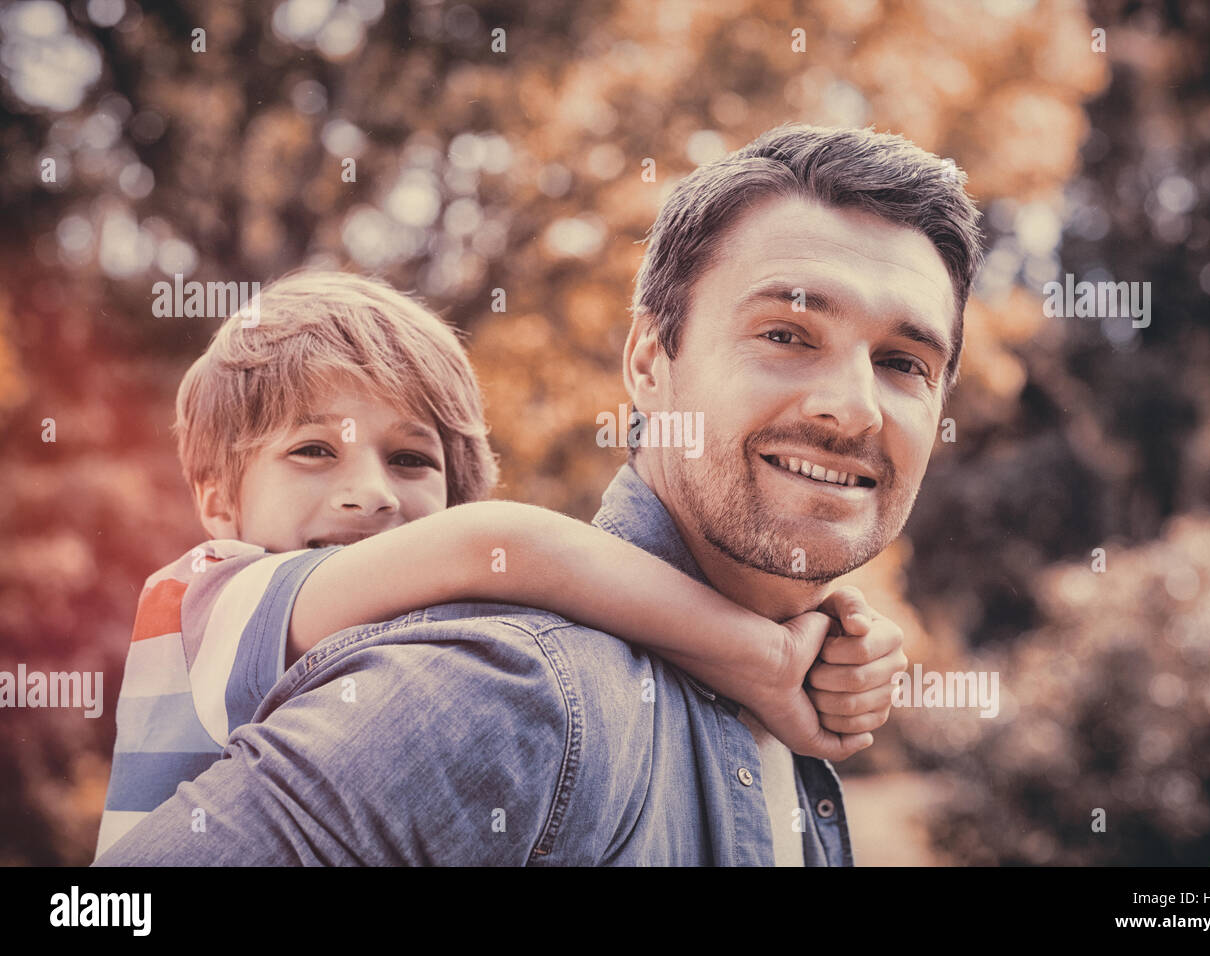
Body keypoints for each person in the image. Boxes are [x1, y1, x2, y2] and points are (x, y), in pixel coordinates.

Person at [95, 122, 981, 866]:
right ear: (647, 361)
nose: (854, 407)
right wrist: (763, 655)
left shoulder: (783, 728)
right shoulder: (513, 691)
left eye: (905, 363)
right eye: (787, 332)